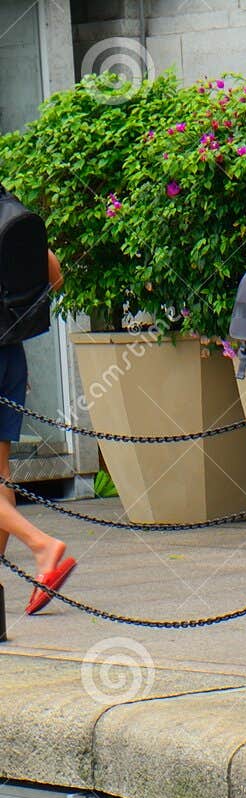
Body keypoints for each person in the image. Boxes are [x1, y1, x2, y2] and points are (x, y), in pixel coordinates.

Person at [0, 241, 76, 616]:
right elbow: (56, 277)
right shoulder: (8, 211)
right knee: (1, 476)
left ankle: (42, 545)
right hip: (10, 353)